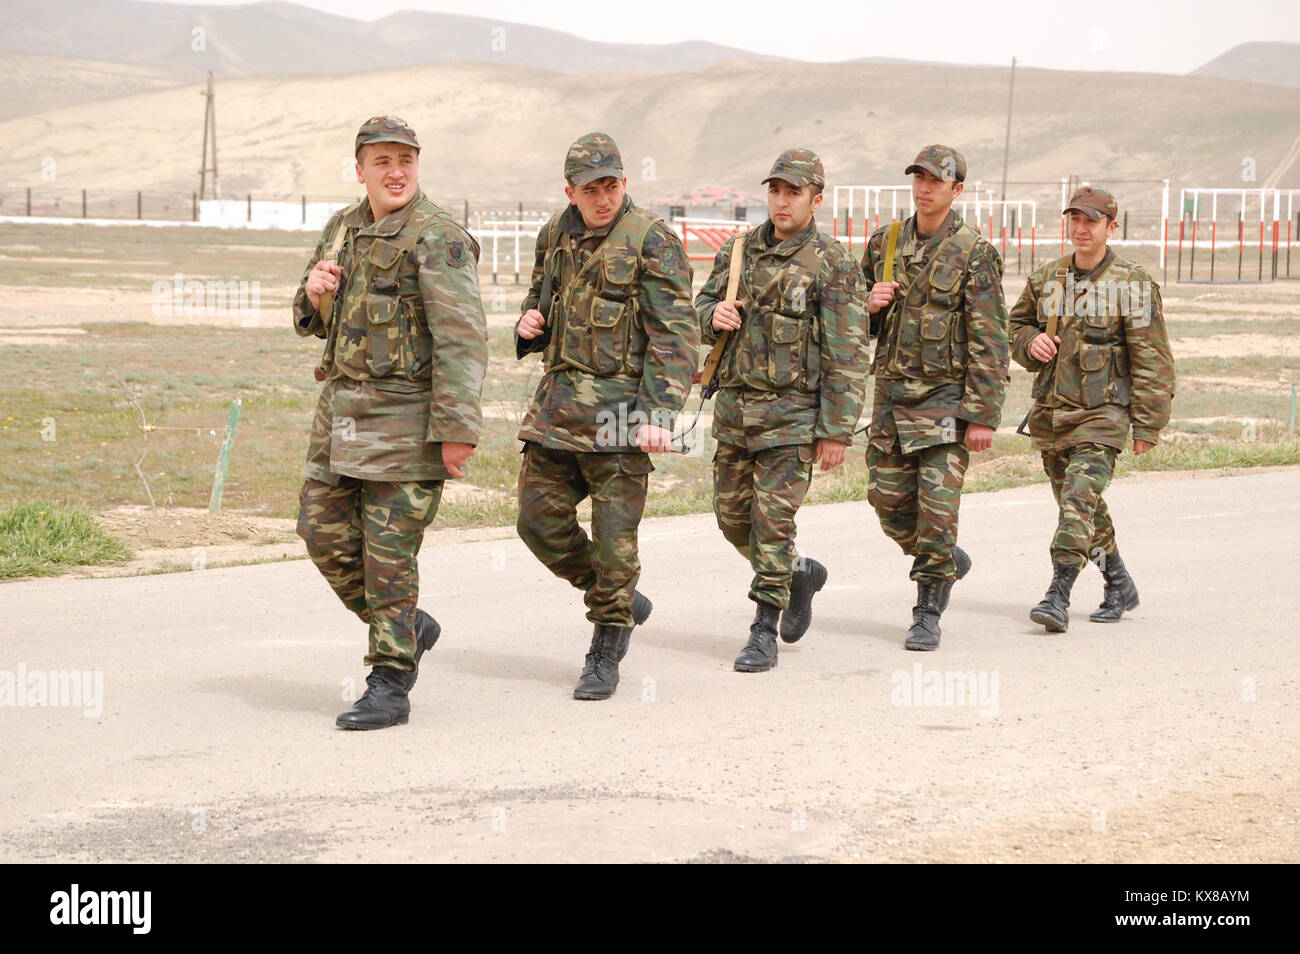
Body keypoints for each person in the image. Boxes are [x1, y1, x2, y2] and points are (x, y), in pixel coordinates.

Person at [291, 116, 488, 729]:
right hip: (342, 417)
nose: (396, 171)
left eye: (406, 159)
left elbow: (462, 339)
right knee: (319, 531)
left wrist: (458, 429)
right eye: (382, 161)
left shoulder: (437, 236)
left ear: (418, 164)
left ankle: (390, 683)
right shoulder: (342, 228)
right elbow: (318, 323)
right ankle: (404, 625)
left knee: (388, 555)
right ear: (360, 169)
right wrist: (315, 295)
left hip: (407, 419)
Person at [514, 132, 699, 700]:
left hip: (623, 417)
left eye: (611, 186)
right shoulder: (557, 233)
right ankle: (615, 595)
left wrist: (658, 415)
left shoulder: (652, 240)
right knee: (536, 523)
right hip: (558, 411)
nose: (602, 198)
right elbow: (540, 296)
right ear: (570, 191)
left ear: (625, 182)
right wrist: (527, 321)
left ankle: (606, 644)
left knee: (616, 540)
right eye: (590, 189)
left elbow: (675, 333)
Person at [695, 148, 869, 672]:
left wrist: (835, 430)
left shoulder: (833, 262)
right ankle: (798, 574)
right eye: (775, 190)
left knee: (772, 523)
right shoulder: (739, 251)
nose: (782, 201)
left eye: (793, 192)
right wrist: (713, 315)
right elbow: (700, 306)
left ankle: (762, 628)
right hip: (735, 412)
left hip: (793, 418)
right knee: (731, 518)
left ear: (816, 199)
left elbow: (848, 353)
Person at [860, 144, 1009, 651]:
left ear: (957, 189)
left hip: (946, 401)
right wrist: (868, 305)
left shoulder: (974, 251)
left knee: (937, 510)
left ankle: (927, 609)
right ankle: (943, 559)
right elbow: (853, 323)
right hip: (891, 400)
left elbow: (991, 339)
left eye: (936, 181)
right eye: (918, 178)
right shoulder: (885, 242)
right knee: (885, 501)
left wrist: (983, 416)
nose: (925, 188)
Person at [1009, 186, 1175, 631]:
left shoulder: (1131, 282)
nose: (1082, 229)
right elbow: (1015, 326)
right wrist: (1030, 342)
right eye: (1075, 219)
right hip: (1052, 413)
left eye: (1092, 221)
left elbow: (1152, 357)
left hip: (1105, 415)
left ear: (1111, 226)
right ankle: (1118, 580)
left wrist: (1148, 424)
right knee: (1081, 507)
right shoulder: (1047, 278)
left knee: (1078, 499)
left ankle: (1058, 592)